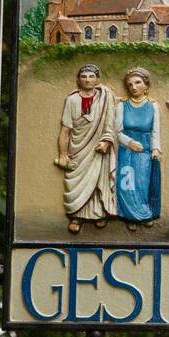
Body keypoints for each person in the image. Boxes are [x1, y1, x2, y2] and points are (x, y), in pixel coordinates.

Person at [55, 63, 116, 234]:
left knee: (97, 180)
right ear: (78, 80)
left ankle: (99, 213)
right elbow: (65, 130)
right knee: (76, 184)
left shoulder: (105, 98)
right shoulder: (72, 100)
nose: (87, 80)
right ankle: (76, 216)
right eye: (84, 77)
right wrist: (63, 154)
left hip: (98, 148)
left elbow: (110, 123)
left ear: (97, 79)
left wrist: (106, 141)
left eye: (91, 76)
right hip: (78, 149)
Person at [113, 67, 162, 229]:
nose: (134, 87)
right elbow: (117, 131)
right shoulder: (122, 106)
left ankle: (142, 214)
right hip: (127, 151)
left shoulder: (153, 106)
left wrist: (156, 149)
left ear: (145, 85)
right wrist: (129, 143)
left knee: (142, 184)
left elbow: (155, 130)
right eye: (130, 84)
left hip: (145, 152)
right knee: (127, 184)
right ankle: (128, 216)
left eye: (138, 83)